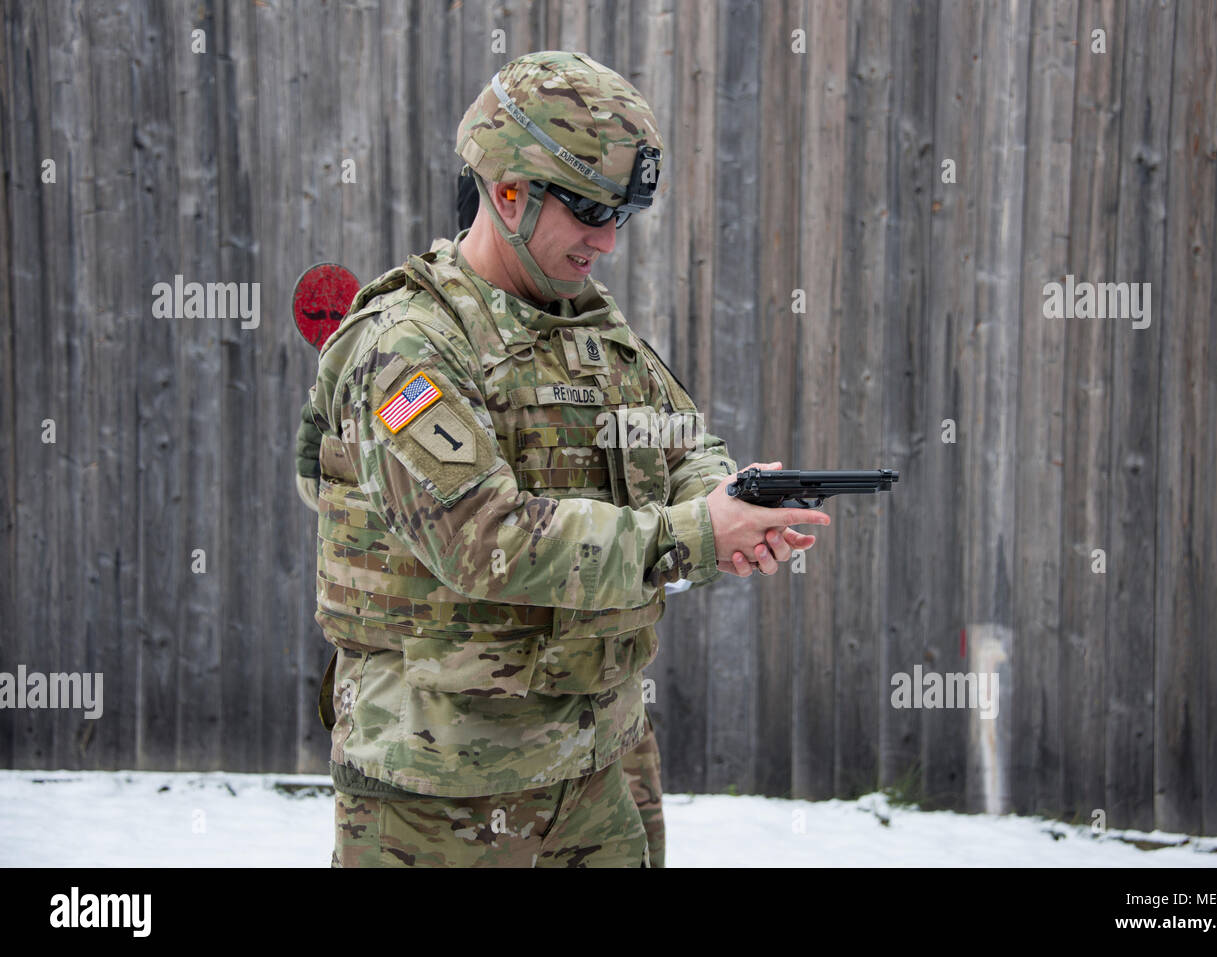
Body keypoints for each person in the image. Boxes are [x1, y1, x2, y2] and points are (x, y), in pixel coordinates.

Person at [300, 50, 829, 867]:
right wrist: (692, 534)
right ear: (508, 190)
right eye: (588, 209)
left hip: (598, 764)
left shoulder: (588, 327)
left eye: (621, 214)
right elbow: (483, 537)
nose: (609, 241)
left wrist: (733, 499)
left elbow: (678, 441)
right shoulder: (407, 347)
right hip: (442, 795)